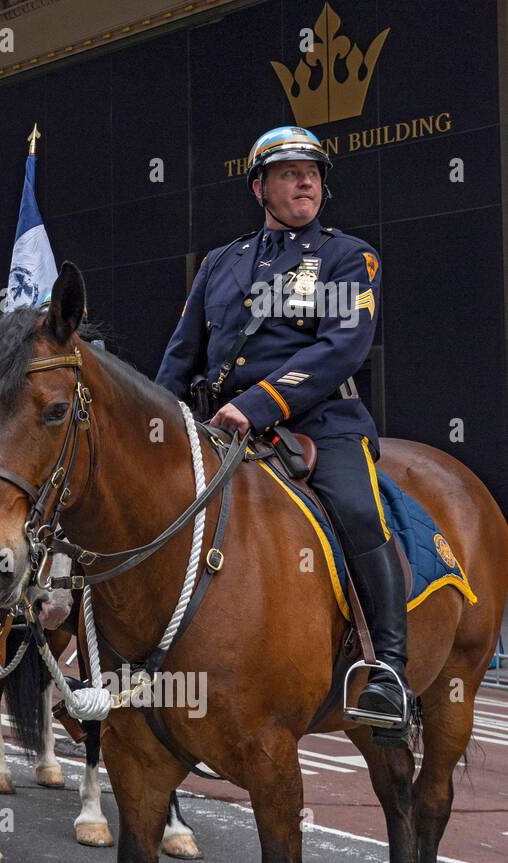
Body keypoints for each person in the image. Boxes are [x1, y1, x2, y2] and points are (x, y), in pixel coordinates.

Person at [155, 125, 407, 742]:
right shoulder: (220, 263)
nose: (306, 182)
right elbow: (181, 355)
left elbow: (342, 348)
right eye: (291, 172)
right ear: (259, 186)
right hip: (219, 428)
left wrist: (259, 404)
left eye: (313, 172)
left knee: (356, 509)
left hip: (319, 423)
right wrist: (157, 424)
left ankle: (390, 672)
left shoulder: (349, 257)